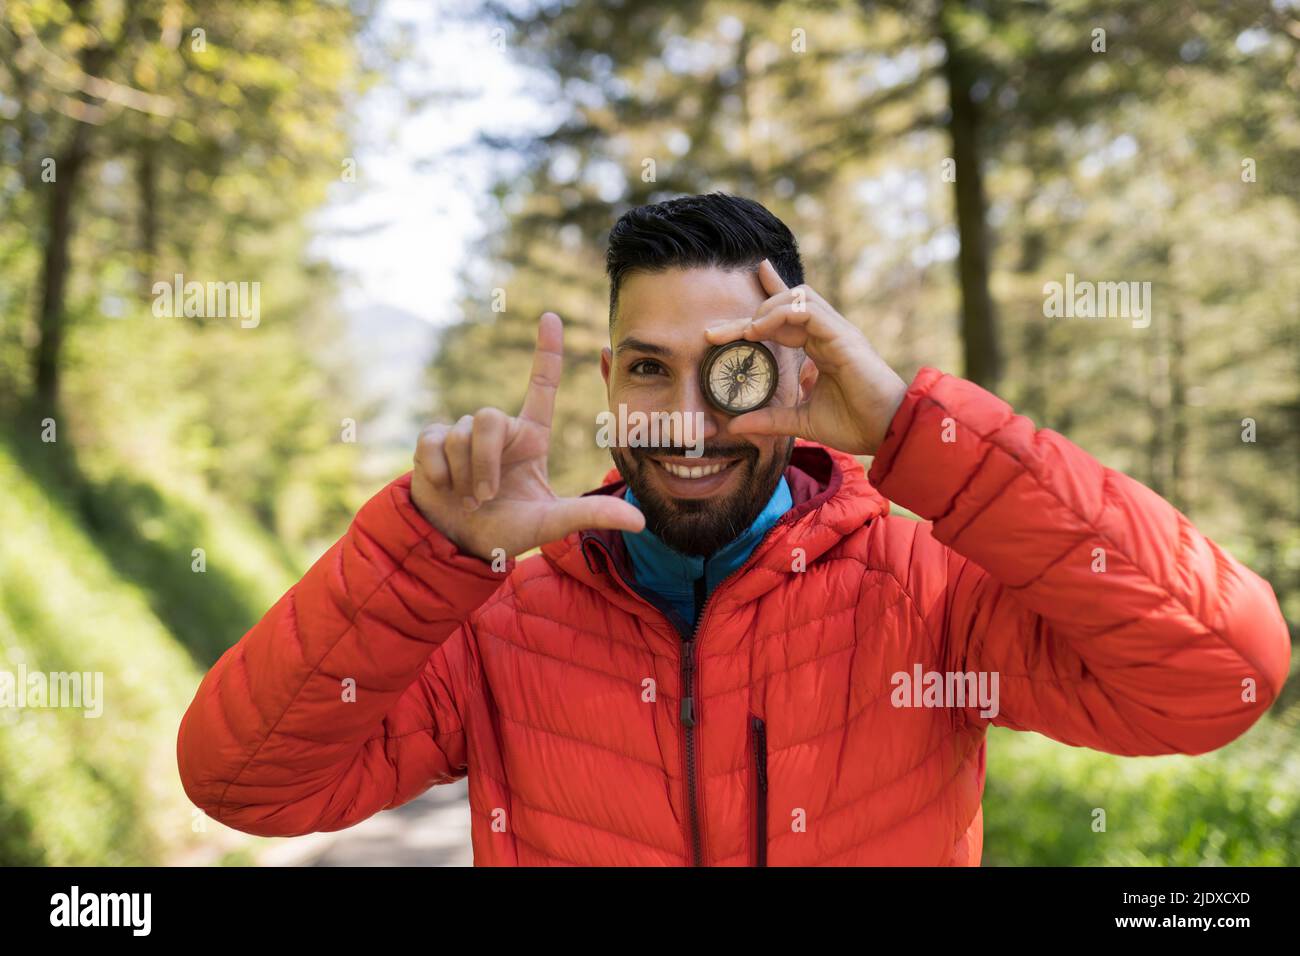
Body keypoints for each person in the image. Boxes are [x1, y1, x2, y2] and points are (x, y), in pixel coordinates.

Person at [177, 192, 1291, 866]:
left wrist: (918, 430)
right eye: (652, 369)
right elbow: (245, 784)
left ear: (801, 372)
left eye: (736, 369)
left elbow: (1223, 672)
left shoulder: (927, 590)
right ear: (611, 383)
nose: (690, 420)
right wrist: (428, 551)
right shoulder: (500, 610)